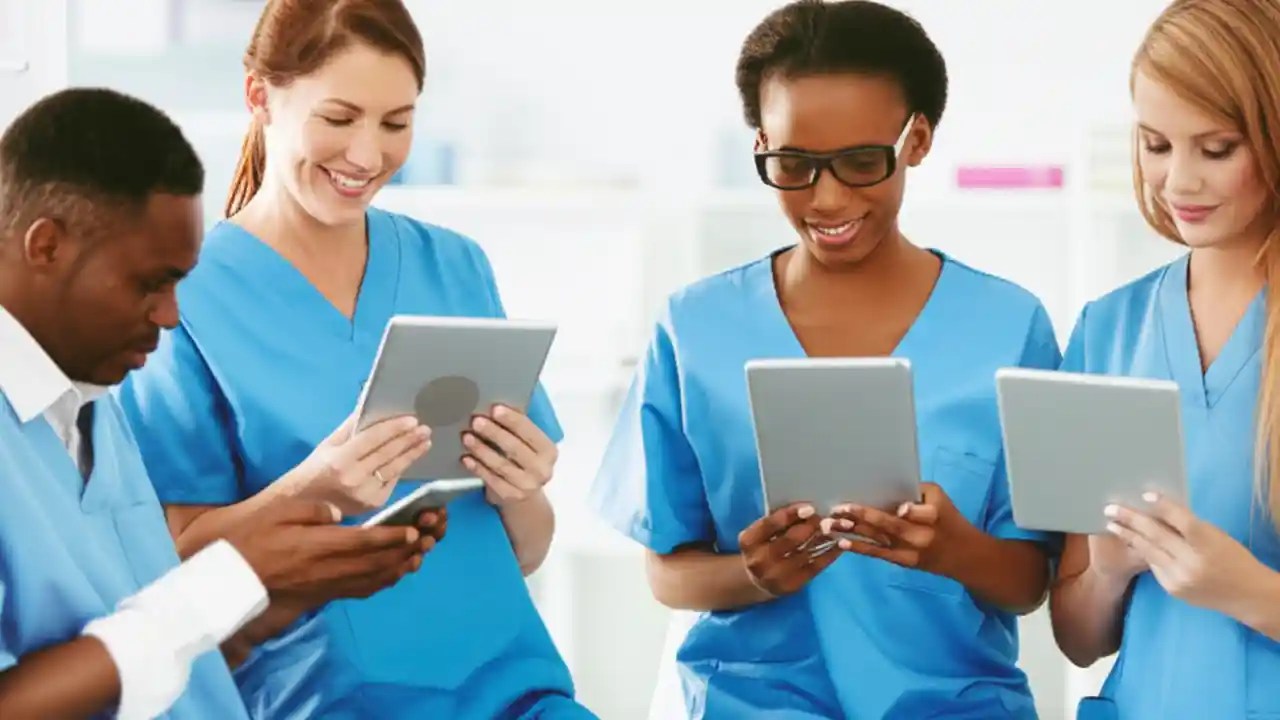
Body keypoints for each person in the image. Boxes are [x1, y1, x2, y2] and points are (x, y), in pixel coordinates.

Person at [116, 1, 594, 718]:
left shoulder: (456, 268)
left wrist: (519, 487)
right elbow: (173, 575)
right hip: (323, 702)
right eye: (338, 119)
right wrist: (315, 489)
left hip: (517, 695)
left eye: (395, 124)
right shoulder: (183, 300)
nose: (368, 156)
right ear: (259, 97)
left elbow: (523, 551)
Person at [589, 1, 1061, 718]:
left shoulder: (1009, 327)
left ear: (919, 139)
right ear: (761, 148)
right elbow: (668, 571)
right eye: (793, 165)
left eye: (863, 162)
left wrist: (952, 549)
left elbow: (1030, 580)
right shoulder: (695, 326)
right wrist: (754, 575)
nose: (827, 198)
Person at [0, 87, 440, 720]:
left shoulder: (91, 408)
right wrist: (229, 577)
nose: (171, 316)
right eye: (150, 284)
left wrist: (287, 590)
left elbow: (150, 661)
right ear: (46, 247)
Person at [1049, 1, 1280, 718]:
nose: (1178, 182)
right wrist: (1109, 573)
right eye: (1156, 144)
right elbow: (1078, 638)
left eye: (1216, 149)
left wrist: (1247, 589)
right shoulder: (1107, 331)